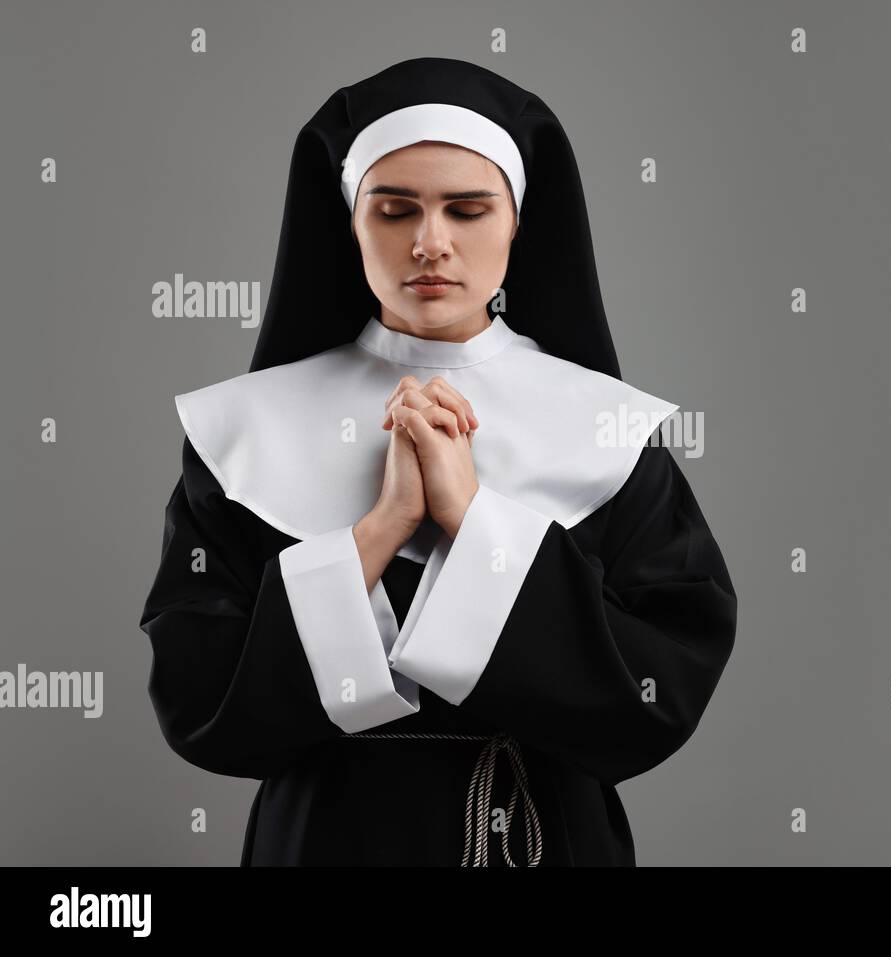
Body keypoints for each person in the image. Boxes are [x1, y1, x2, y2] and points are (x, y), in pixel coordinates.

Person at [138, 57, 738, 866]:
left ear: (518, 221)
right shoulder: (244, 432)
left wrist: (472, 518)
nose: (430, 244)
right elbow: (199, 706)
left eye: (467, 209)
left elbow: (658, 702)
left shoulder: (607, 431)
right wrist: (381, 528)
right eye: (394, 211)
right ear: (350, 221)